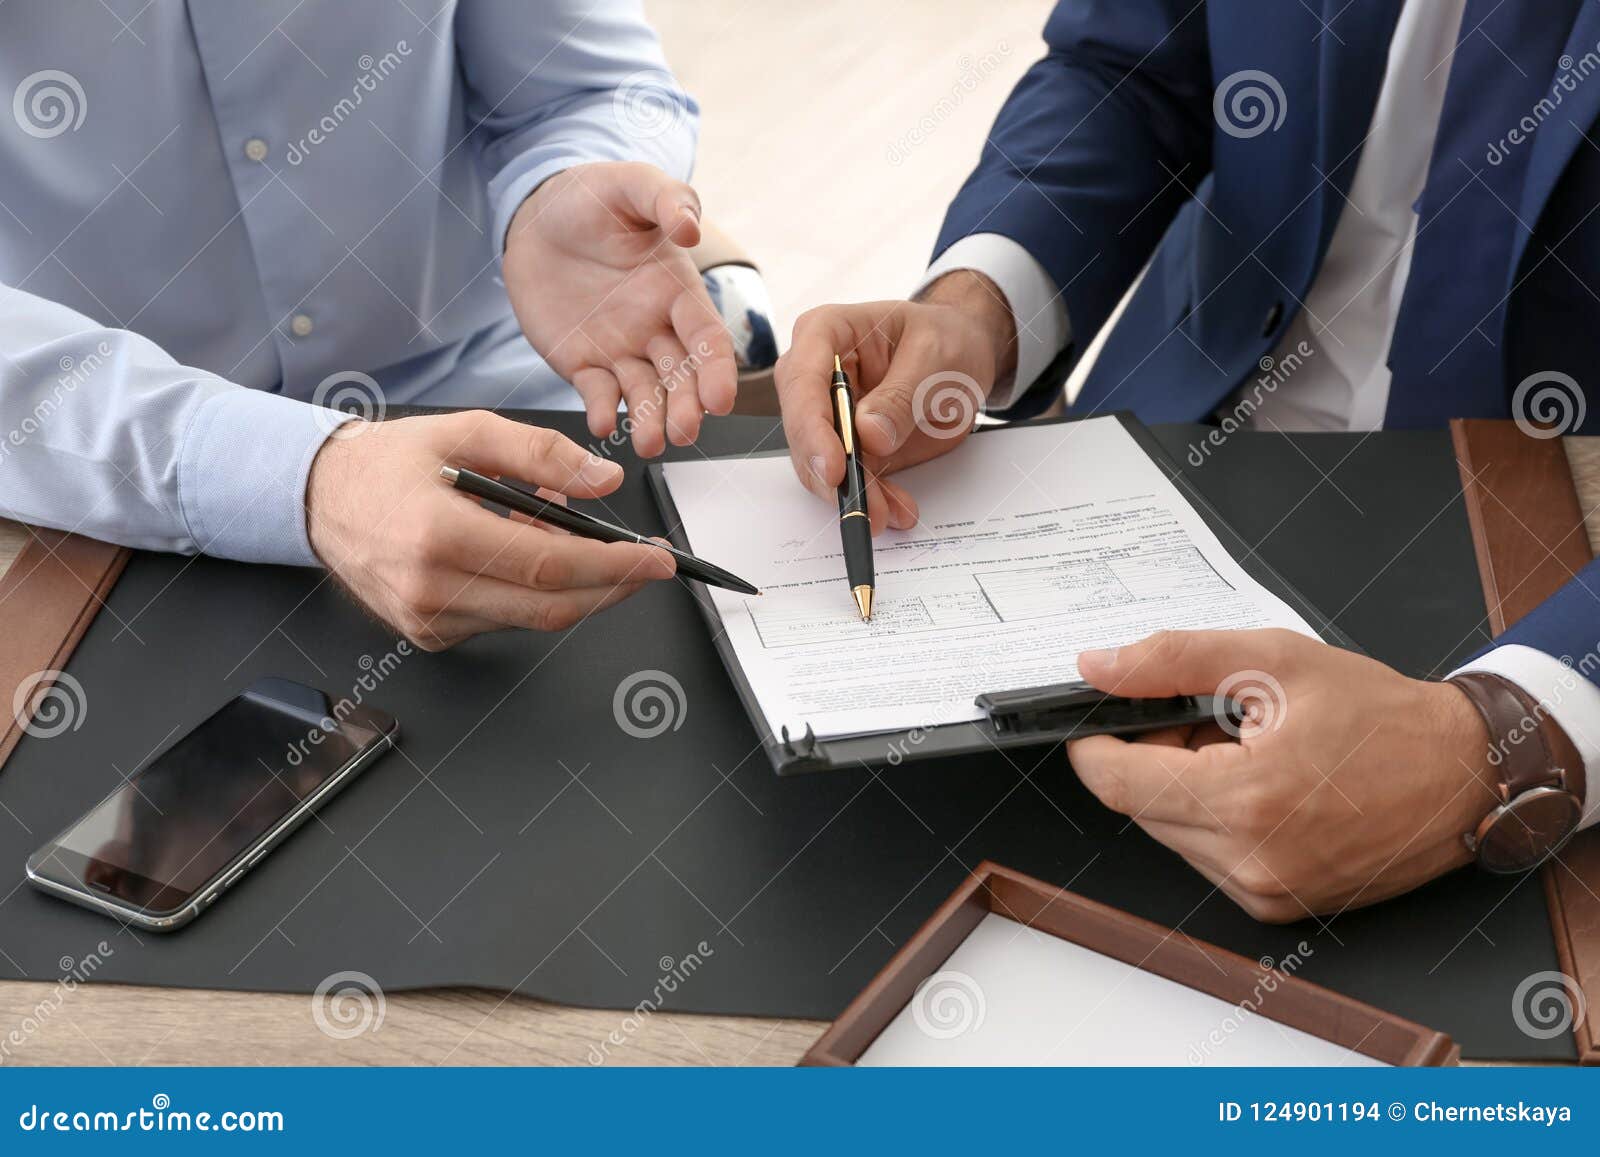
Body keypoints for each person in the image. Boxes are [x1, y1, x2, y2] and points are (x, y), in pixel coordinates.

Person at [776, 0, 1600, 919]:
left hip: (1535, 581)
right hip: (1155, 455)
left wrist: (1499, 744)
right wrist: (976, 311)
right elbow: (1128, 68)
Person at [0, 1, 735, 650]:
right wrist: (303, 471)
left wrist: (556, 184)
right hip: (107, 494)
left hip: (520, 398)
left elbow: (583, 86)